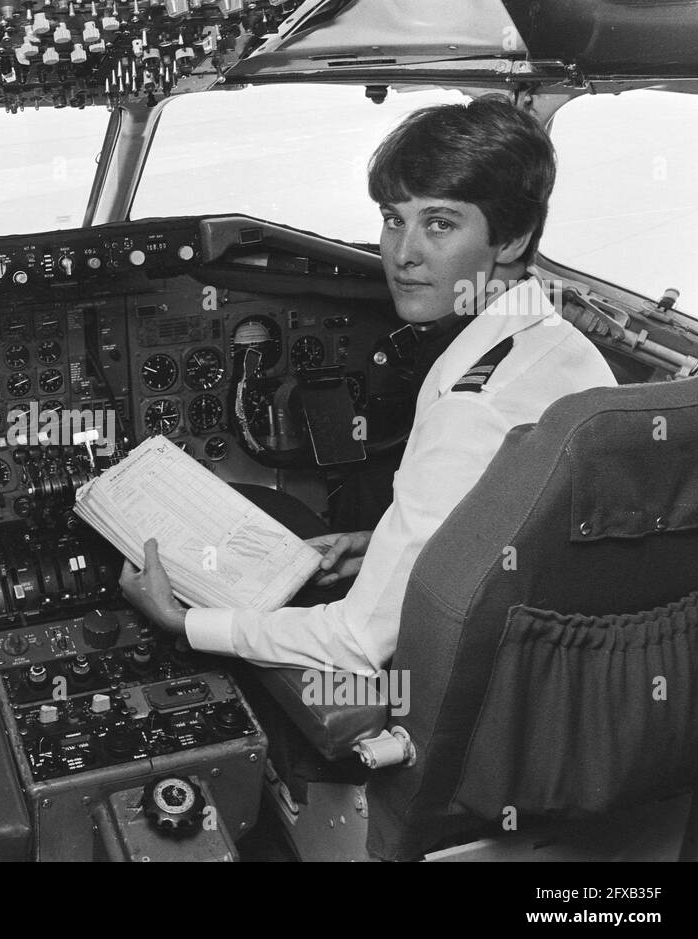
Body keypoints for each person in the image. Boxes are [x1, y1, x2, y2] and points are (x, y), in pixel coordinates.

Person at [120, 97, 617, 674]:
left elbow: (359, 641)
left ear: (511, 239)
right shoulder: (559, 345)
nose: (403, 255)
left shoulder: (473, 408)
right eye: (393, 219)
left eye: (440, 223)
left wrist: (182, 622)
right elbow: (502, 532)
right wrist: (374, 546)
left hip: (458, 681)